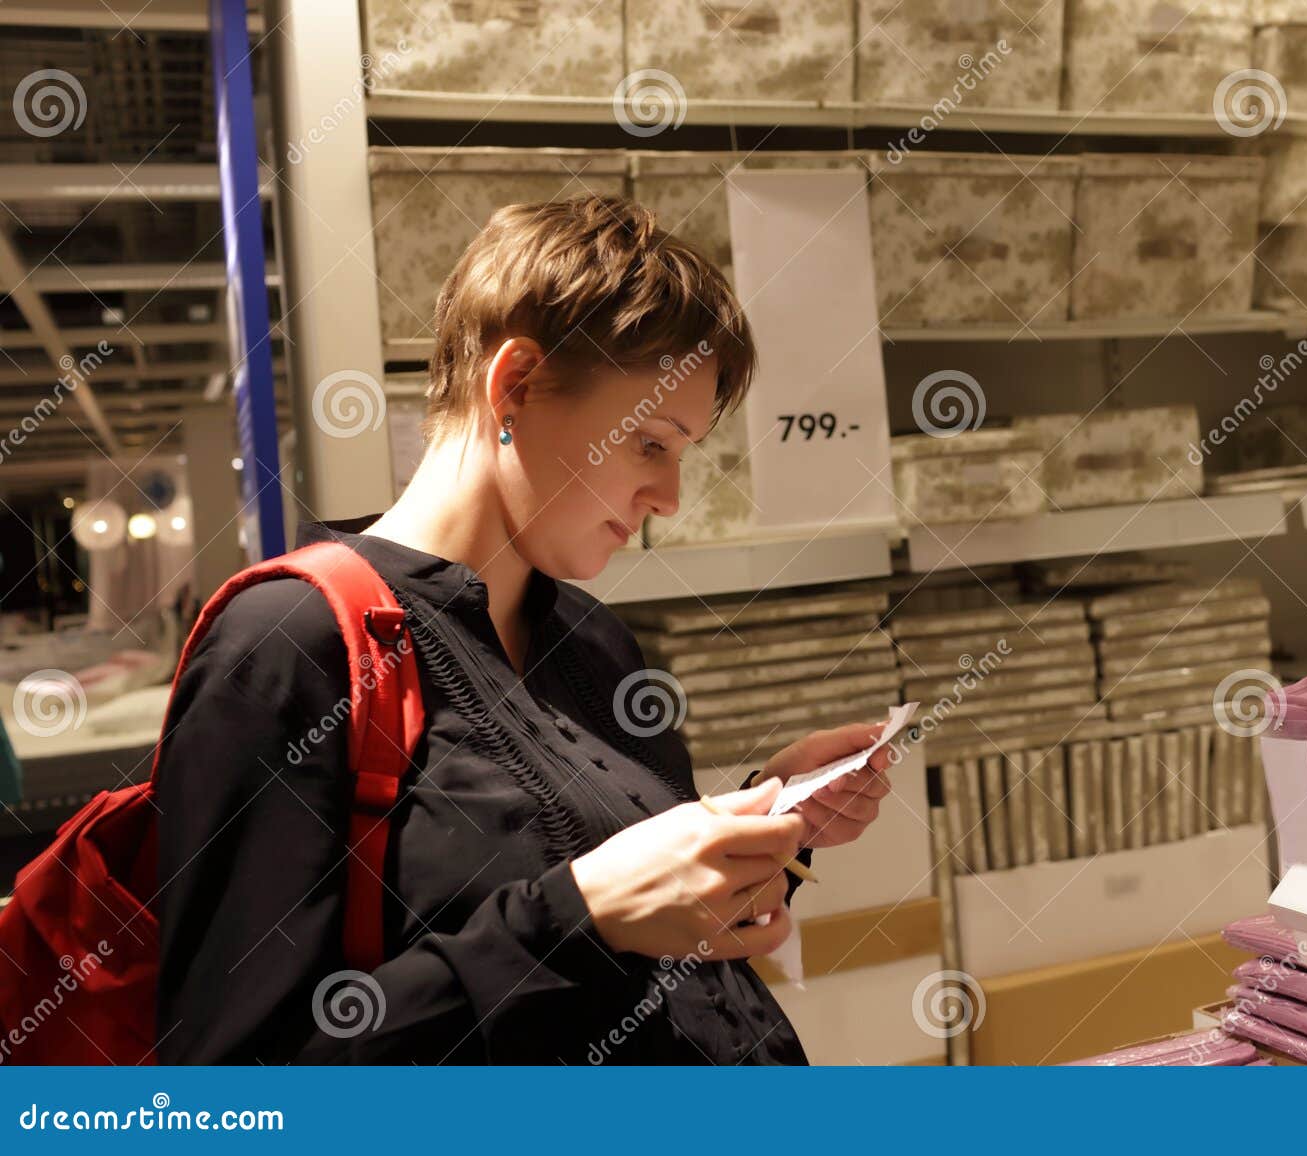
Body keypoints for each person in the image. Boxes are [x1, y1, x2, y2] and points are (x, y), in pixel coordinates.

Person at [155, 196, 895, 1064]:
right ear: (515, 386)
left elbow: (658, 957)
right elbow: (235, 1089)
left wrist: (772, 818)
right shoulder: (285, 646)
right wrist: (577, 917)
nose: (671, 499)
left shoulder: (591, 640)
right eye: (651, 445)